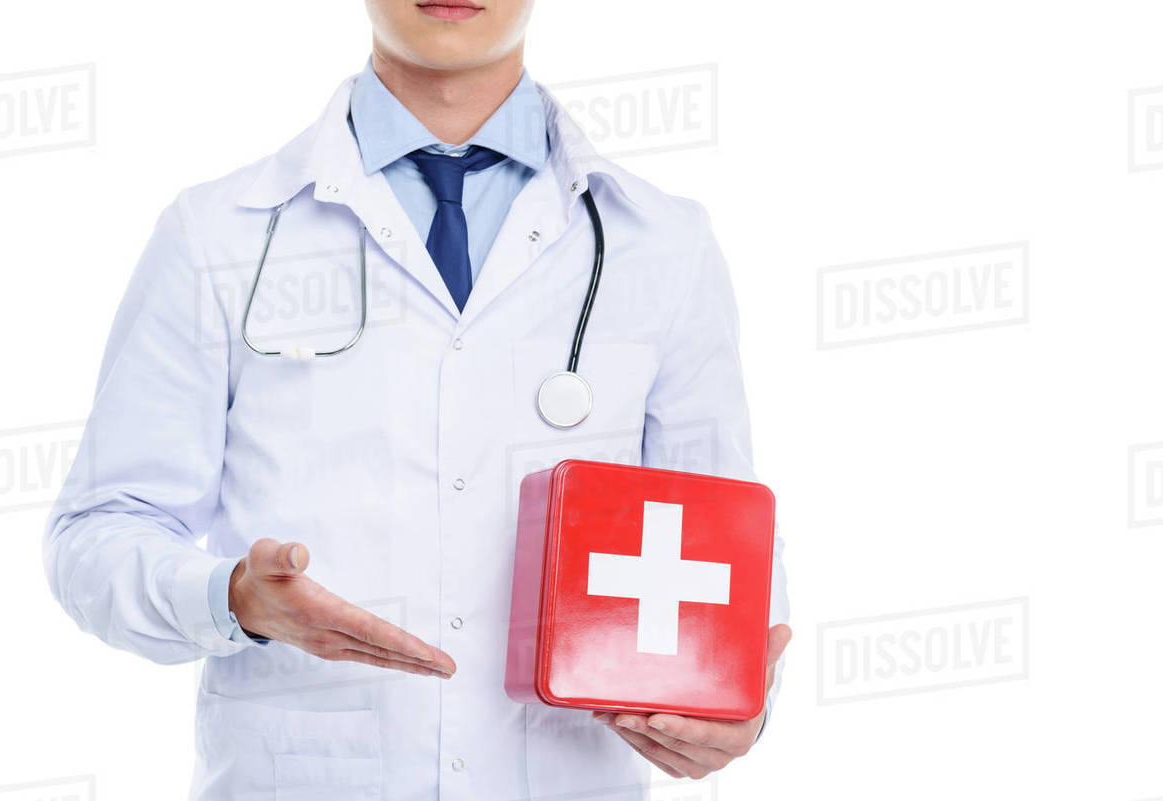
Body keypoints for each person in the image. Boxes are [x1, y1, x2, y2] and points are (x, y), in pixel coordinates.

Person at [43, 1, 791, 798]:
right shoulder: (218, 234)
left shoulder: (663, 245)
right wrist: (233, 597)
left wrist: (733, 705)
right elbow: (97, 531)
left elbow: (723, 549)